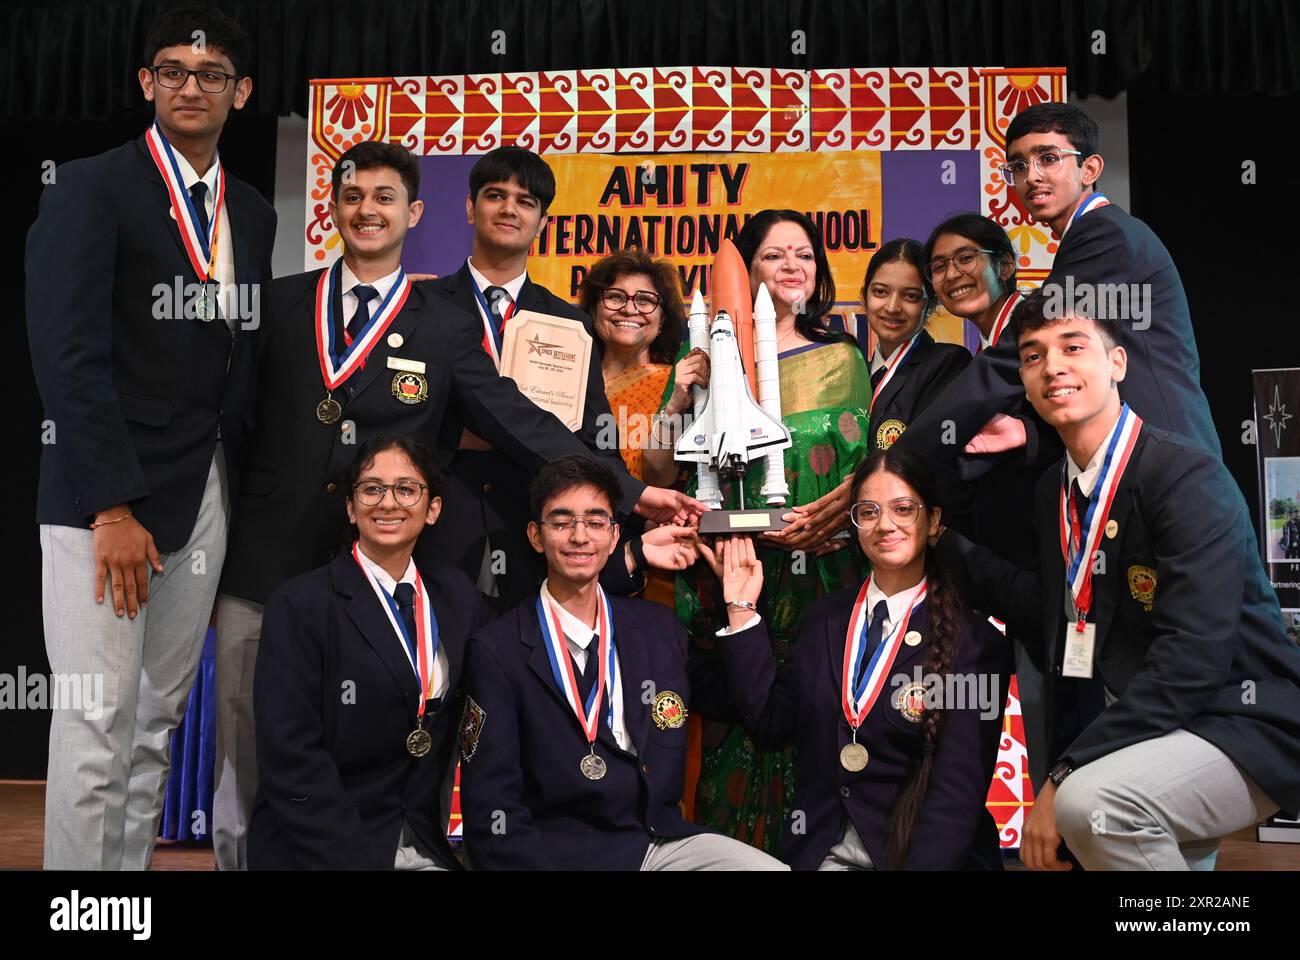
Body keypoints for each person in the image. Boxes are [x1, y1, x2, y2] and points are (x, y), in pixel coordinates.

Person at [213, 141, 691, 870]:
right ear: (332, 207)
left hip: (398, 566)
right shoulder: (279, 303)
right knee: (251, 752)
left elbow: (513, 416)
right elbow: (238, 425)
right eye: (354, 195)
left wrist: (627, 490)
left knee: (405, 739)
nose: (367, 209)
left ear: (415, 212)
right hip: (271, 559)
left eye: (384, 197)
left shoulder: (441, 326)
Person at [25, 5, 276, 870]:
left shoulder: (248, 207)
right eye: (172, 71)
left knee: (153, 723)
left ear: (240, 93)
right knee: (97, 717)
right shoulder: (93, 186)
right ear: (146, 84)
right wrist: (111, 505)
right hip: (108, 502)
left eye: (210, 75)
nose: (190, 87)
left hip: (204, 490)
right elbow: (68, 357)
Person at [935, 289, 1300, 870]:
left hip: (1238, 721)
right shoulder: (1053, 489)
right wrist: (939, 541)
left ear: (1118, 363)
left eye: (1073, 347)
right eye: (1032, 356)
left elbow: (1193, 659)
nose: (1052, 366)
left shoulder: (1182, 475)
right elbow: (1045, 607)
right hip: (1146, 730)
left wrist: (1062, 774)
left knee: (1093, 807)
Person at [644, 210, 872, 852]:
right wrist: (677, 398)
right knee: (734, 711)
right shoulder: (702, 358)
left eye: (804, 254)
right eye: (774, 256)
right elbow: (660, 468)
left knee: (811, 718)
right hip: (728, 572)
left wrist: (826, 523)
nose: (793, 266)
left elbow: (860, 467)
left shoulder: (842, 358)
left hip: (821, 568)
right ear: (746, 273)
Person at [458, 457, 785, 870]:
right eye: (561, 522)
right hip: (560, 854)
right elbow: (491, 815)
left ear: (615, 537)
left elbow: (742, 702)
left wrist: (739, 607)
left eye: (596, 522)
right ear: (535, 537)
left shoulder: (656, 627)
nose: (580, 536)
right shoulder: (497, 649)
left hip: (658, 841)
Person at [708, 447, 1010, 869]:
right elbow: (770, 725)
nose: (885, 524)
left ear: (935, 521)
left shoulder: (977, 644)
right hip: (823, 854)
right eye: (868, 511)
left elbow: (956, 795)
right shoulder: (825, 620)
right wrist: (741, 609)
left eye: (903, 509)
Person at [894, 101, 1222, 478]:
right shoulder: (1089, 238)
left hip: (1168, 461)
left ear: (1090, 168)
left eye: (1048, 158)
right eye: (1018, 166)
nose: (1031, 176)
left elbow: (1010, 357)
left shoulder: (1103, 234)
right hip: (1137, 460)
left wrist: (902, 459)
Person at [426, 147, 690, 611]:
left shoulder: (570, 323)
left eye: (526, 202)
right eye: (495, 195)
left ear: (543, 222)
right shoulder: (420, 306)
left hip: (536, 540)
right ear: (470, 207)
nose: (510, 209)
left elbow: (595, 443)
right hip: (436, 532)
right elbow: (401, 417)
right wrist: (453, 432)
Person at [250, 436, 483, 869]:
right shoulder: (301, 604)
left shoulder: (457, 598)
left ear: (433, 509)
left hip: (425, 842)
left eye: (406, 489)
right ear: (351, 508)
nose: (387, 503)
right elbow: (290, 756)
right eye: (371, 489)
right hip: (326, 848)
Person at [859, 238, 969, 451]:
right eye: (880, 292)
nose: (892, 307)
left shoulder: (948, 364)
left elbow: (934, 452)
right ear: (864, 297)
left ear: (930, 305)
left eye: (910, 296)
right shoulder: (855, 373)